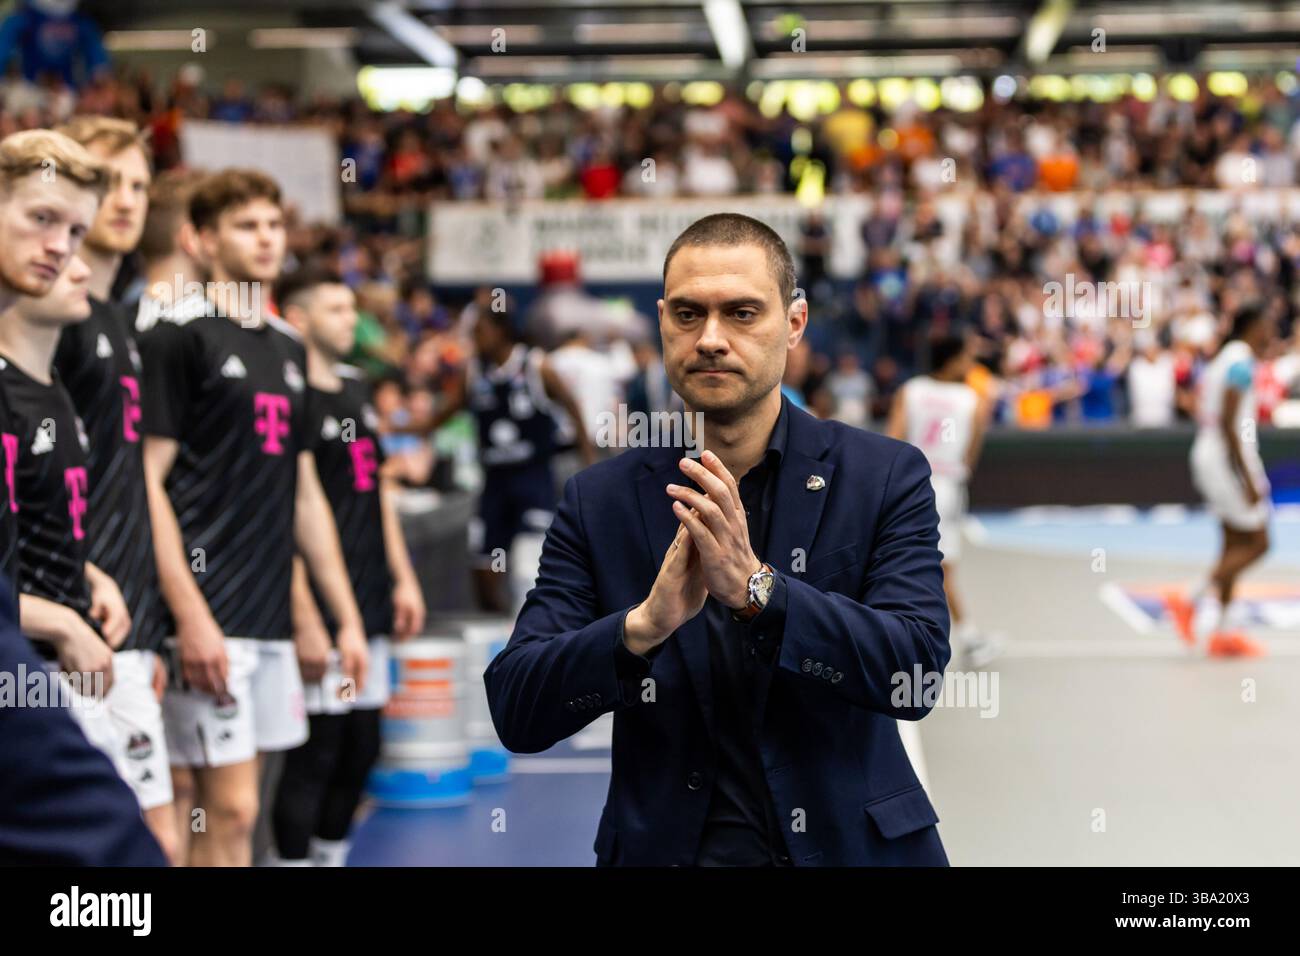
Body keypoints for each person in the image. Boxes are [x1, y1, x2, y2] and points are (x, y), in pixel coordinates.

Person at [484, 213, 951, 866]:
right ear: (661, 320)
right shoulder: (601, 500)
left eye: (740, 313)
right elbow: (518, 708)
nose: (709, 339)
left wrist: (763, 593)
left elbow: (915, 674)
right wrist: (642, 627)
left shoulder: (883, 476)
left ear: (794, 322)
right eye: (687, 314)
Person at [138, 169, 368, 867]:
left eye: (273, 224)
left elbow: (303, 494)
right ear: (199, 240)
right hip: (205, 611)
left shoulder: (287, 345)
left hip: (267, 611)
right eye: (245, 226)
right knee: (223, 808)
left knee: (245, 806)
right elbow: (145, 482)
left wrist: (341, 613)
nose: (266, 238)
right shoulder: (176, 336)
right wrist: (190, 613)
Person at [51, 115, 177, 860]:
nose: (123, 200)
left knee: (156, 832)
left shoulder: (116, 320)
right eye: (104, 182)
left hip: (127, 615)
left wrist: (155, 620)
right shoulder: (45, 319)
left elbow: (130, 478)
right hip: (67, 613)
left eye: (136, 184)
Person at [271, 265, 426, 866]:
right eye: (337, 310)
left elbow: (377, 489)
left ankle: (329, 856)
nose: (351, 320)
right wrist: (306, 612)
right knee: (320, 750)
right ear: (301, 318)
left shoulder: (357, 388)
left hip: (369, 595)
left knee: (363, 745)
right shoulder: (291, 398)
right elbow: (283, 510)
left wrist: (403, 577)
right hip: (319, 600)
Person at [428, 303, 593, 613]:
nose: (474, 339)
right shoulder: (473, 372)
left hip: (532, 480)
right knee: (485, 566)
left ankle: (532, 632)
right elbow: (443, 415)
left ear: (500, 330)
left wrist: (588, 459)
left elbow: (572, 406)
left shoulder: (535, 366)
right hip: (494, 483)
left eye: (480, 331)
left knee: (527, 567)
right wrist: (407, 427)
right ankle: (504, 630)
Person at [0, 571, 166, 865]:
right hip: (47, 657)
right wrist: (64, 624)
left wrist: (94, 577)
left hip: (90, 647)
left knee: (155, 835)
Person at [1165, 304, 1274, 657]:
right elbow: (1230, 423)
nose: (1270, 332)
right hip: (1228, 459)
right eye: (1266, 325)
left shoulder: (1223, 360)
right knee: (1259, 542)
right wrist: (1247, 477)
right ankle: (1188, 599)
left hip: (1211, 453)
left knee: (1233, 543)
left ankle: (1223, 631)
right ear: (1252, 326)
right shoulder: (1242, 363)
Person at [888, 333, 996, 666]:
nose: (970, 364)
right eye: (965, 357)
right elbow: (971, 452)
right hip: (946, 487)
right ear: (950, 360)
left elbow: (893, 439)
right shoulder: (972, 399)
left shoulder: (911, 391)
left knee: (916, 564)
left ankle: (950, 635)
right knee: (939, 568)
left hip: (916, 483)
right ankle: (961, 637)